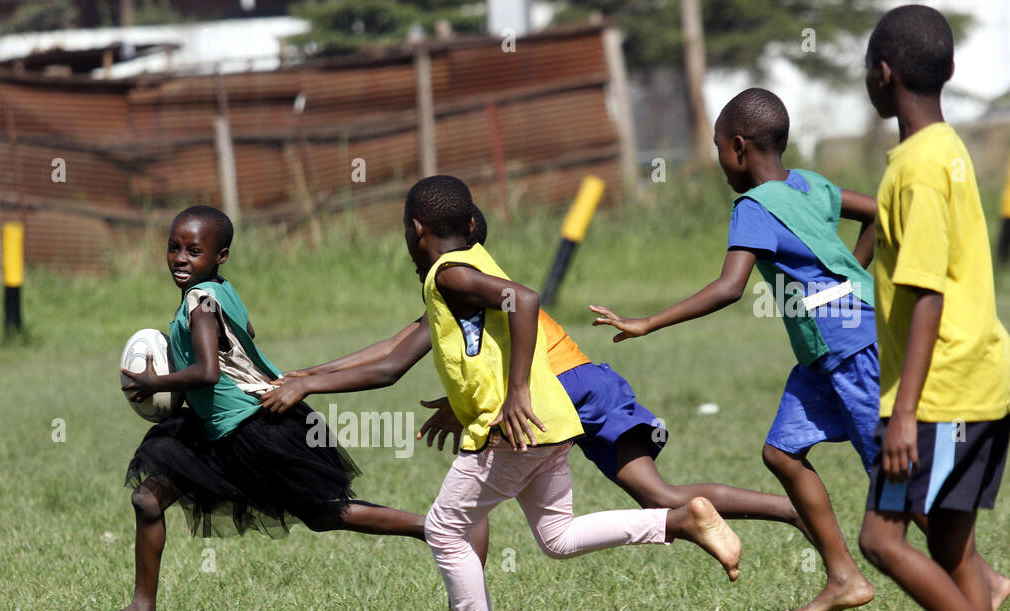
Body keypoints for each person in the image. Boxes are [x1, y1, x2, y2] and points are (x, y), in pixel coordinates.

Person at [264, 203, 801, 534]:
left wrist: (309, 382)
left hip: (558, 390)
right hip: (588, 383)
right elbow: (393, 346)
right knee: (657, 496)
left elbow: (391, 365)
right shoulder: (469, 282)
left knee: (462, 514)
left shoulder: (458, 282)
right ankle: (793, 510)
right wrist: (305, 374)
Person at [389, 175, 741, 611]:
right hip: (553, 423)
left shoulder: (447, 272)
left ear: (415, 229)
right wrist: (466, 402)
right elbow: (486, 348)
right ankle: (679, 522)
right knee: (558, 537)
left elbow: (525, 299)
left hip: (516, 427)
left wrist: (514, 395)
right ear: (472, 225)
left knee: (444, 528)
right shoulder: (476, 258)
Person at [592, 88, 888, 611]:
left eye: (716, 148)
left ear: (737, 147)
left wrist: (649, 322)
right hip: (824, 353)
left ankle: (977, 578)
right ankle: (844, 576)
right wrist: (849, 277)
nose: (718, 160)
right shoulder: (810, 185)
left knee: (891, 472)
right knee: (781, 453)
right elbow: (877, 214)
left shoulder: (753, 206)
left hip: (850, 347)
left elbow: (730, 288)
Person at [79, 205, 431, 611]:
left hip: (256, 431)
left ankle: (432, 528)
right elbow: (242, 336)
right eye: (174, 248)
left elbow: (208, 370)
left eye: (194, 251)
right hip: (225, 426)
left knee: (326, 515)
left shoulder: (198, 300)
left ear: (220, 255)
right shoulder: (222, 291)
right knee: (148, 500)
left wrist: (159, 382)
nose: (181, 259)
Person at [856, 4, 1010, 611]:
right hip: (978, 376)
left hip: (942, 390)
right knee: (951, 546)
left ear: (882, 75)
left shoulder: (916, 169)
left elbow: (923, 294)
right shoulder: (946, 148)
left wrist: (906, 411)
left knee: (882, 539)